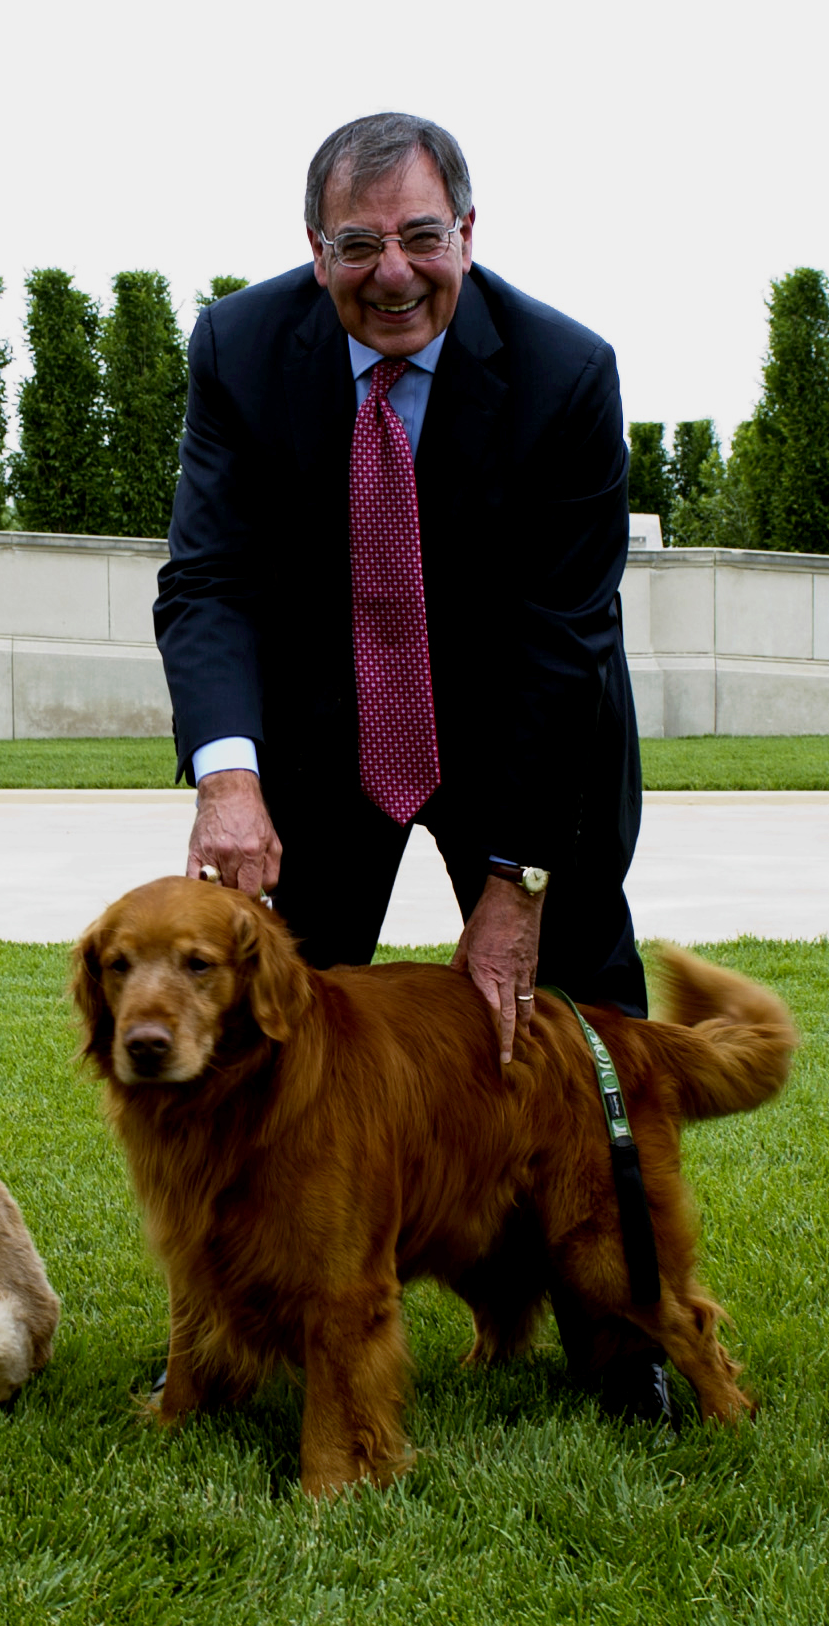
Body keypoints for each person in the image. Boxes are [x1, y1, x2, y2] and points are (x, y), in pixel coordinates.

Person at [157, 112, 644, 1058]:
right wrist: (228, 779)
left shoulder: (567, 375)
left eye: (424, 236)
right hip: (316, 747)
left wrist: (518, 883)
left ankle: (609, 1208)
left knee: (579, 1046)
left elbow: (564, 642)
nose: (394, 273)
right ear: (314, 250)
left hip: (525, 747)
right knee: (265, 1054)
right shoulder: (238, 350)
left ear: (467, 232)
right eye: (359, 244)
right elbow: (211, 581)